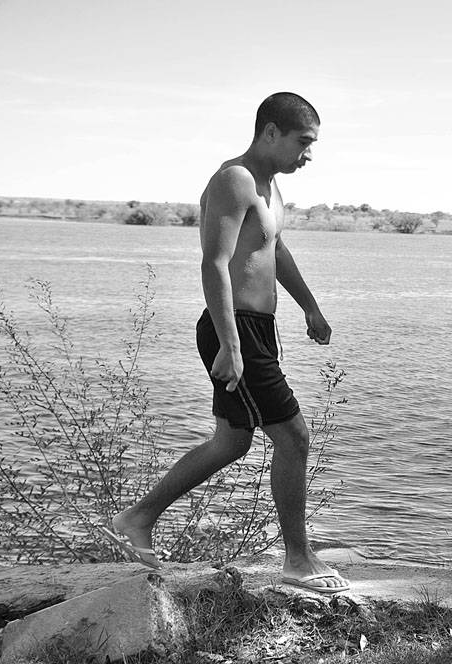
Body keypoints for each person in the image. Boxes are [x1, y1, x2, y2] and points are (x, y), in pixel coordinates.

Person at [98, 92, 349, 594]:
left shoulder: (269, 187)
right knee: (293, 437)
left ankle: (136, 519)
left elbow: (273, 249)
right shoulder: (234, 179)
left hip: (254, 329)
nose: (308, 155)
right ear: (271, 132)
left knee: (231, 441)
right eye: (303, 142)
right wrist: (231, 345)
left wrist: (309, 306)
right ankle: (298, 560)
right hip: (233, 328)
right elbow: (214, 263)